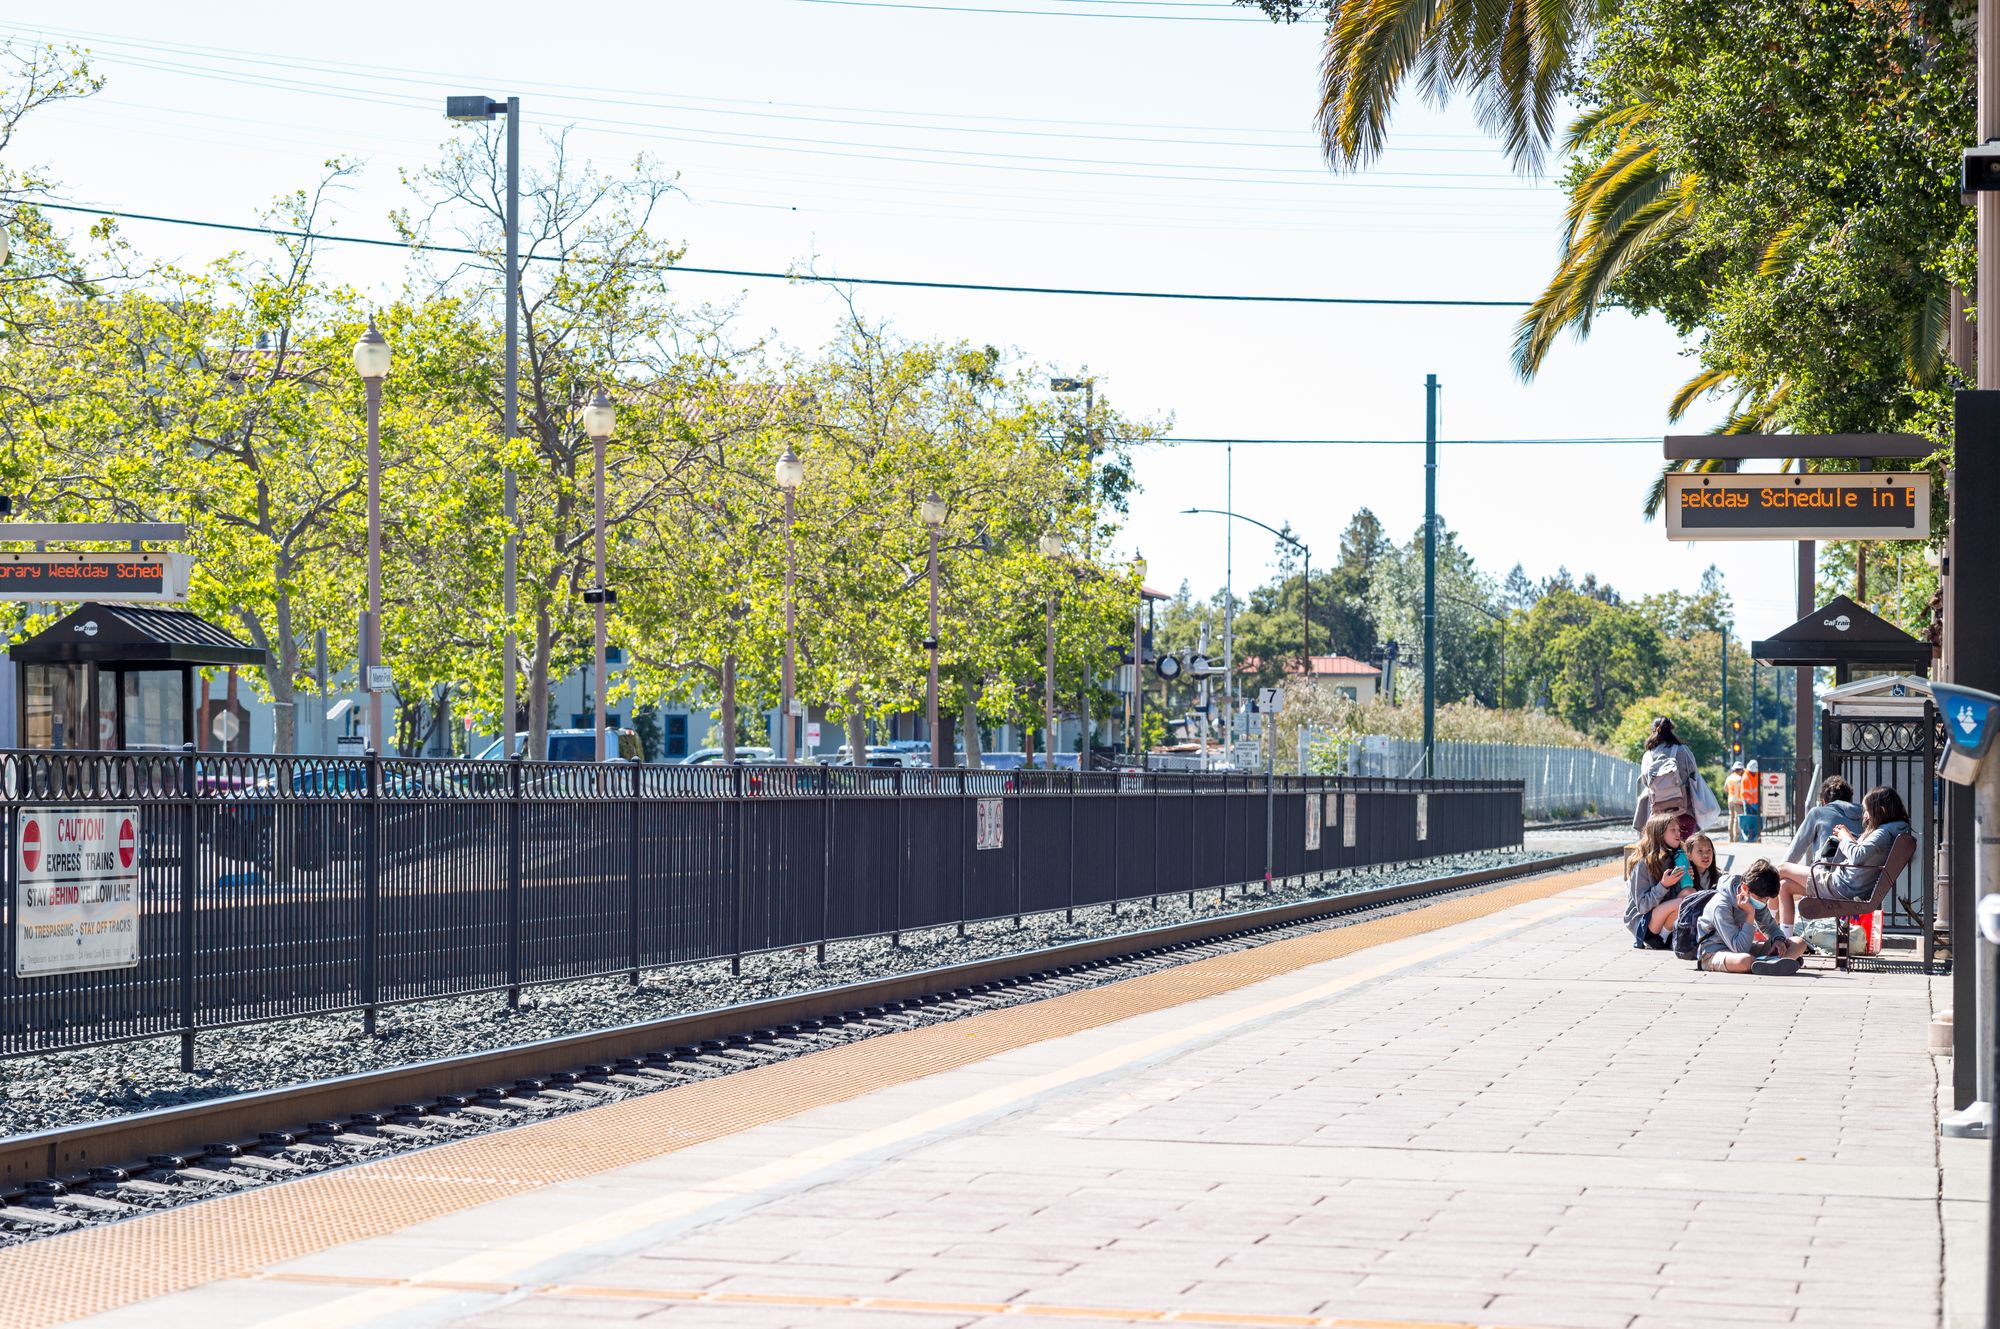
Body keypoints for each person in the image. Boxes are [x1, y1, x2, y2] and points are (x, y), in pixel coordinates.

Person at [1772, 785, 1913, 928]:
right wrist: (1849, 838)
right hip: (1847, 885)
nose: (1864, 816)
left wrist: (1844, 836)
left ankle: (1768, 925)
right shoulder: (1892, 831)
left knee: (1781, 868)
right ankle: (1783, 936)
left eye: (1867, 811)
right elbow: (1862, 855)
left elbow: (1857, 856)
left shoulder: (1882, 833)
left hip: (1841, 886)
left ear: (1882, 810)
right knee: (1784, 886)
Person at [1695, 859, 1807, 974]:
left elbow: (1770, 927)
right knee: (1746, 961)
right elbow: (1739, 949)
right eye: (1762, 899)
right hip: (1714, 953)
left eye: (1767, 899)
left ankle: (1777, 964)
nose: (1764, 903)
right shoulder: (1721, 906)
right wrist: (1750, 914)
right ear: (1745, 889)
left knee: (1799, 942)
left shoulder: (1755, 896)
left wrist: (1778, 940)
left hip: (1745, 948)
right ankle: (1781, 962)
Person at [1625, 812, 1690, 949]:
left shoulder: (1676, 858)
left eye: (1679, 830)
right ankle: (1658, 939)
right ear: (1659, 834)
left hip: (1662, 918)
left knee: (1690, 893)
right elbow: (1642, 906)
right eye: (1673, 830)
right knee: (1682, 902)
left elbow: (1674, 896)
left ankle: (1664, 937)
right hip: (1644, 924)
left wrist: (1686, 879)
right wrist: (1663, 885)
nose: (1678, 833)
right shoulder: (1643, 864)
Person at [1632, 717, 1701, 839]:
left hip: (1658, 817)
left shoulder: (1648, 755)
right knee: (1685, 849)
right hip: (1684, 813)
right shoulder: (1683, 750)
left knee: (1661, 852)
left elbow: (1645, 781)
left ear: (1654, 731)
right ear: (1671, 730)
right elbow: (1694, 773)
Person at [1784, 776, 1864, 865]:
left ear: (1824, 801)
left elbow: (1795, 852)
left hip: (1826, 872)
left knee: (1784, 872)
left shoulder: (1817, 813)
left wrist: (1784, 867)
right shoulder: (1864, 814)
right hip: (1857, 873)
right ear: (1849, 799)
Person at [1738, 759, 1763, 842]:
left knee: (1756, 818)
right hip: (1748, 801)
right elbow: (1744, 793)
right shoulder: (1745, 778)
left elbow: (1762, 780)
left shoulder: (1757, 774)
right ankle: (1748, 834)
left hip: (1755, 800)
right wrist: (1751, 803)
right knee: (1748, 817)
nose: (1754, 772)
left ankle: (1756, 834)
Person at [1724, 761, 1745, 837]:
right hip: (1738, 801)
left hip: (1730, 800)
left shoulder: (1729, 778)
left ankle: (1730, 836)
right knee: (1737, 819)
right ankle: (1736, 836)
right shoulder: (1740, 779)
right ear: (1740, 770)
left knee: (1731, 818)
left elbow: (1725, 788)